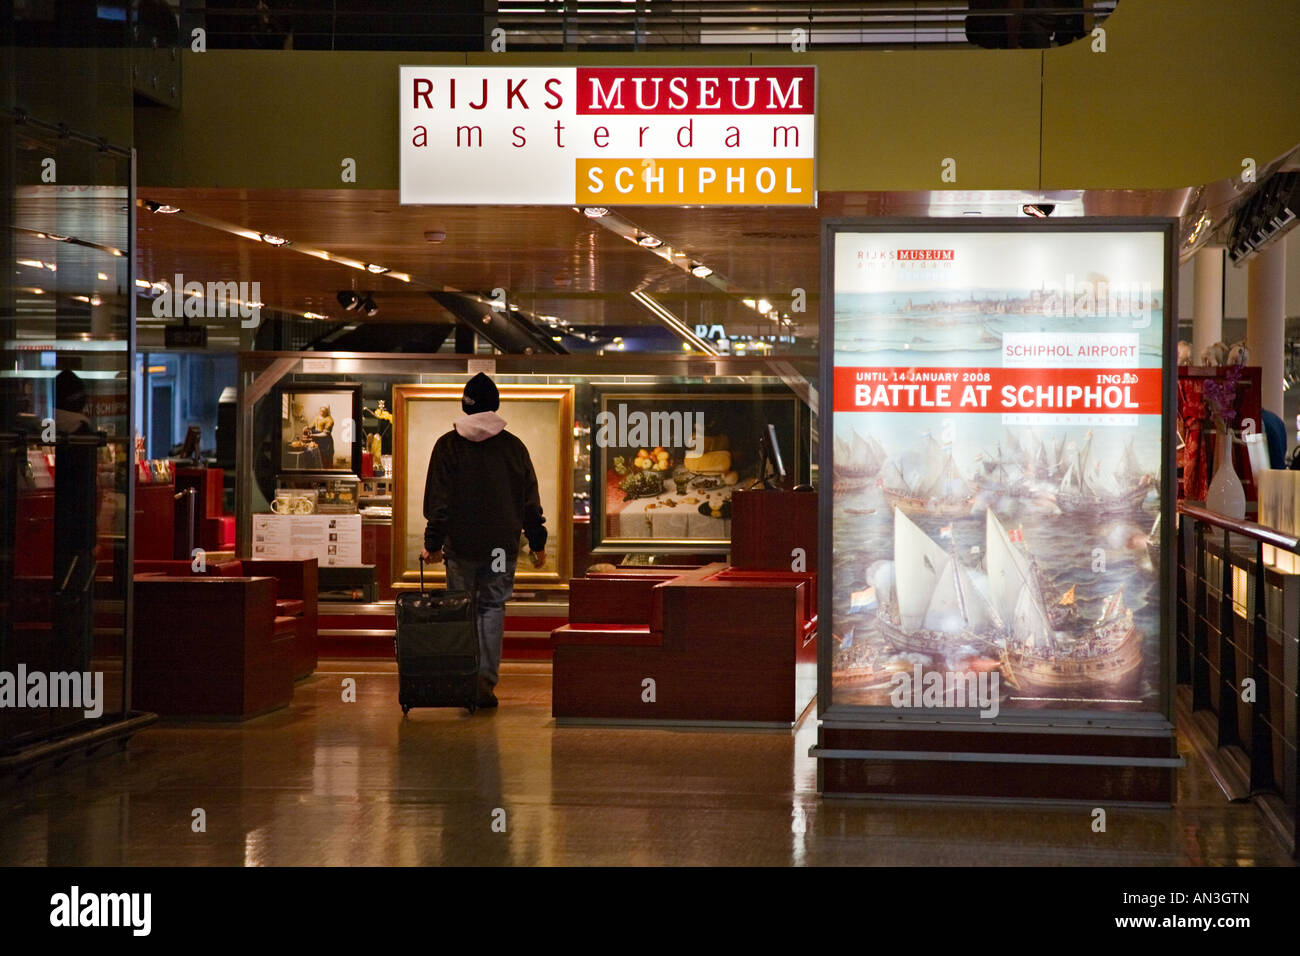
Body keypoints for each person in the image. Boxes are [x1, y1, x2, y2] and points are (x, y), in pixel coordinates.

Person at [421, 373, 546, 709]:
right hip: (498, 549)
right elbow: (529, 501)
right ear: (495, 405)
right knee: (491, 608)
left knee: (462, 609)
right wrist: (537, 541)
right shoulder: (513, 447)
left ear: (465, 403)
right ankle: (484, 685)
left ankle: (462, 681)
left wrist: (433, 543)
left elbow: (439, 502)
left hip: (461, 547)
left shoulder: (448, 445)